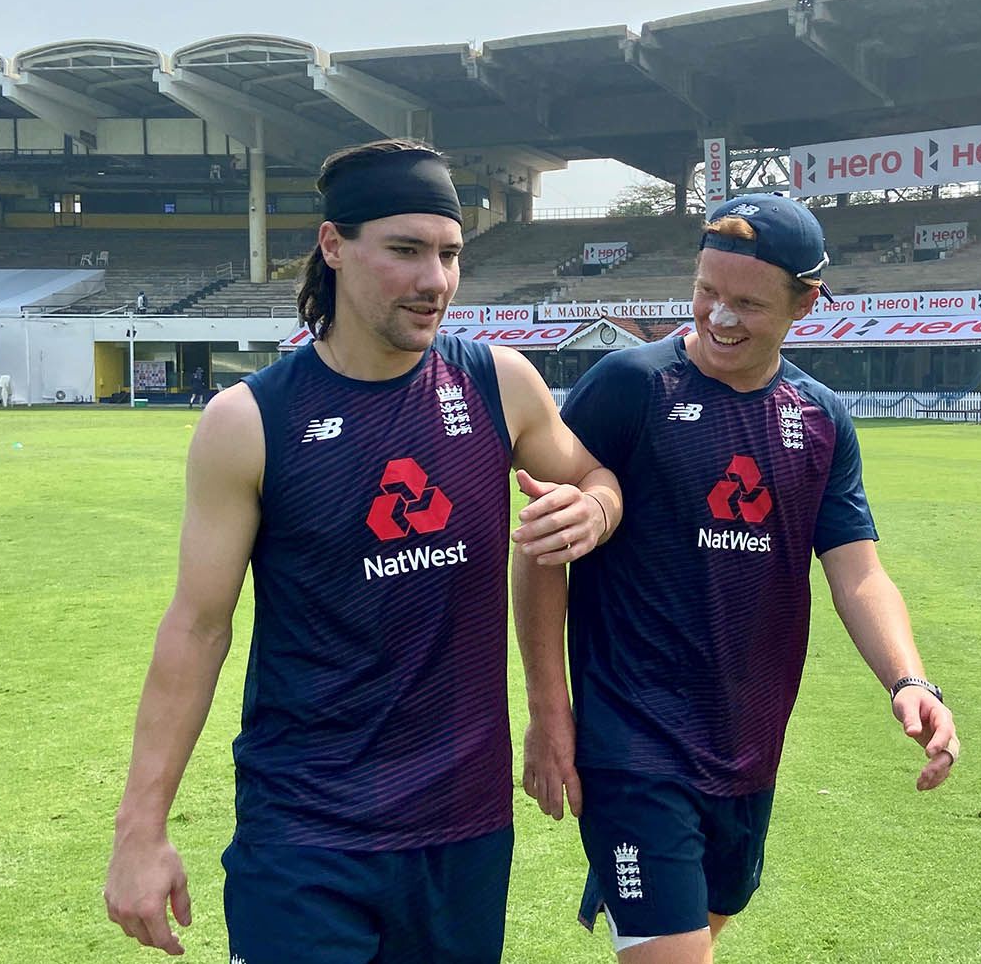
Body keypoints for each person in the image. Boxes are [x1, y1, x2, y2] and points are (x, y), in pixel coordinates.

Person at [103, 139, 623, 963]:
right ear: (334, 246)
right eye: (406, 250)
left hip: (463, 830)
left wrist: (594, 509)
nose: (435, 280)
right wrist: (140, 829)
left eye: (449, 253)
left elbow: (594, 475)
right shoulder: (250, 421)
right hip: (304, 833)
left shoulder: (500, 384)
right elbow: (198, 628)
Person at [514, 194, 959, 964]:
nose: (719, 316)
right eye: (706, 291)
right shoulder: (630, 386)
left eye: (747, 304)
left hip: (748, 743)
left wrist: (909, 680)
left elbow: (858, 574)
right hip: (632, 739)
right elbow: (539, 546)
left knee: (701, 929)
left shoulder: (820, 419)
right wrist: (550, 712)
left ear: (804, 303)